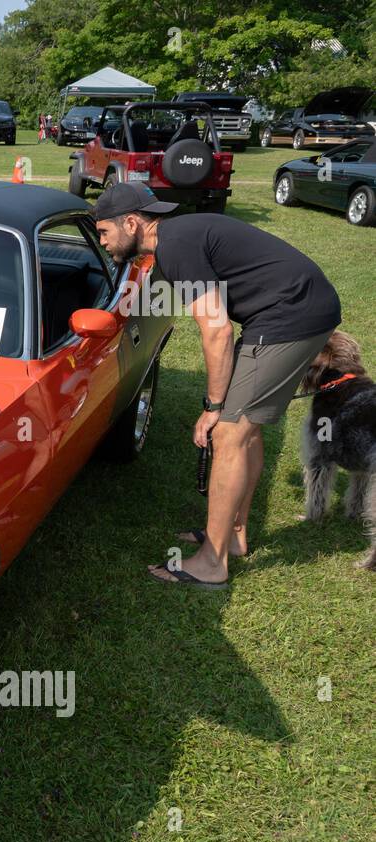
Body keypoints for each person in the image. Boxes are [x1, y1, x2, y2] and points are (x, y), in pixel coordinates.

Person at [92, 183, 341, 588]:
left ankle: (212, 563)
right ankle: (235, 536)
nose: (103, 241)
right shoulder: (177, 238)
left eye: (104, 231)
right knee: (247, 430)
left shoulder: (175, 247)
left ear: (132, 222)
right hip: (299, 308)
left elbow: (217, 330)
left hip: (290, 316)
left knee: (229, 432)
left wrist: (212, 405)